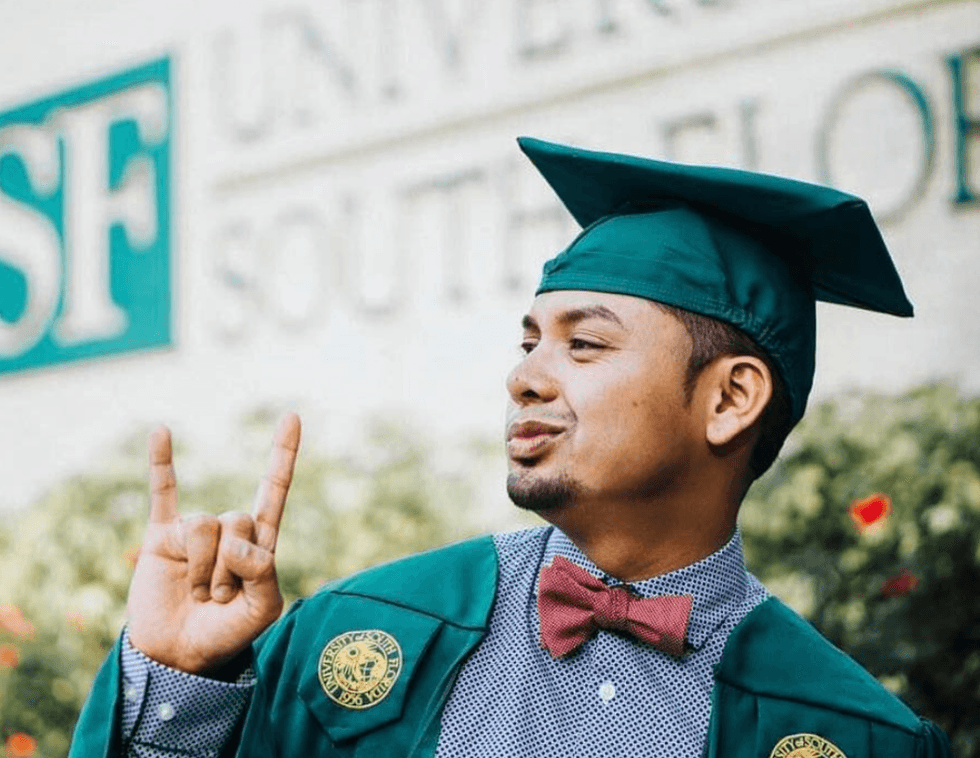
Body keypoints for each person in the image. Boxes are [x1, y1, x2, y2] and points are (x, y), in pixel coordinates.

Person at [69, 138, 952, 758]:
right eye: (528, 340)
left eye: (585, 344)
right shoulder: (364, 631)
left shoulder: (850, 732)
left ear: (729, 399)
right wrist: (179, 684)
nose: (526, 376)